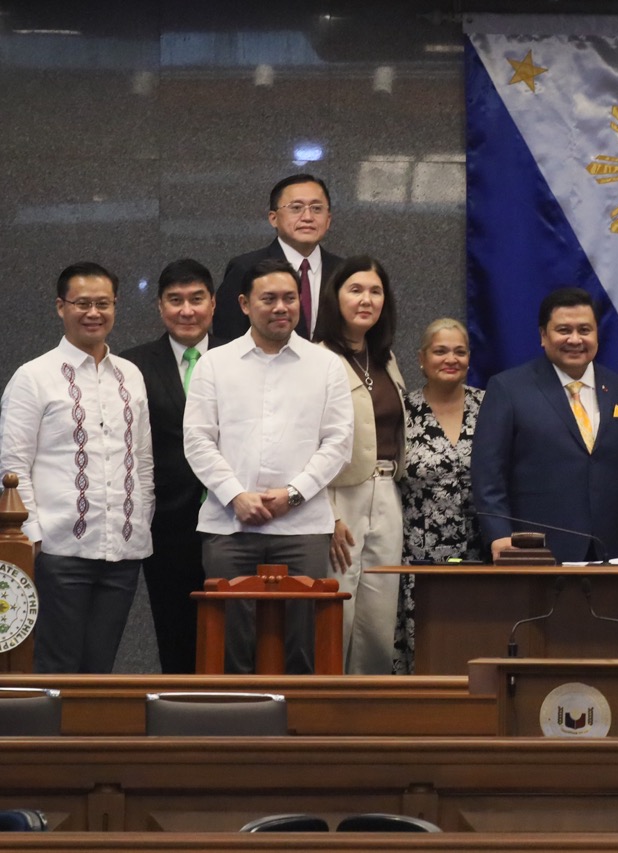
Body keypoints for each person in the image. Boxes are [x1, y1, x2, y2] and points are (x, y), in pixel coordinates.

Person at [184, 258, 353, 674]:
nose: (281, 307)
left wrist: (292, 494)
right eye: (269, 298)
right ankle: (233, 732)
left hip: (303, 526)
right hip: (229, 524)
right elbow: (198, 440)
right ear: (244, 304)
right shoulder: (214, 364)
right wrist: (235, 495)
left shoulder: (326, 365)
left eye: (289, 298)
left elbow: (338, 442)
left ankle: (300, 734)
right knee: (229, 644)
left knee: (303, 642)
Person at [0, 262, 153, 673]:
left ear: (115, 307)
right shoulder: (33, 377)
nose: (93, 312)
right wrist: (31, 541)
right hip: (58, 549)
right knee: (58, 665)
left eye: (103, 303)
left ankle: (91, 739)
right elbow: (12, 466)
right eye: (82, 303)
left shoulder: (131, 376)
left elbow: (142, 462)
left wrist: (140, 521)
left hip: (122, 551)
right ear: (60, 307)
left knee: (101, 668)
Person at [472, 287, 618, 562]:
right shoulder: (508, 388)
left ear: (597, 335)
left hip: (609, 551)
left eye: (584, 330)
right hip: (534, 552)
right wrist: (498, 534)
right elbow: (489, 474)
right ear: (543, 336)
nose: (575, 339)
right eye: (563, 330)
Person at [119, 259, 224, 674]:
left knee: (236, 633)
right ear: (160, 307)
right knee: (176, 634)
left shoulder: (241, 355)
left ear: (213, 304)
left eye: (196, 299)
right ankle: (181, 726)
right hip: (168, 524)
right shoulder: (132, 366)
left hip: (237, 519)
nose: (187, 310)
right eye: (175, 300)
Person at [313, 256, 407, 675]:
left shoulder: (386, 359)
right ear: (335, 298)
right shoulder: (313, 359)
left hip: (386, 491)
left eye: (375, 291)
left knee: (379, 614)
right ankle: (324, 712)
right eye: (355, 290)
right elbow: (302, 444)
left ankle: (368, 710)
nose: (366, 299)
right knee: (339, 607)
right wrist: (326, 516)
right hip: (336, 497)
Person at [394, 318, 484, 673]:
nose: (451, 358)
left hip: (480, 550)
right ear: (421, 358)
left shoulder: (491, 405)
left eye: (460, 351)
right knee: (425, 646)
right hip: (419, 551)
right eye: (441, 350)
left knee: (478, 639)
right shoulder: (400, 411)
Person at [212, 174, 343, 341]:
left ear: (328, 220)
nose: (308, 217)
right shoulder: (245, 268)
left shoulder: (344, 272)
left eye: (317, 208)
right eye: (296, 208)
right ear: (273, 218)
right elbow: (228, 338)